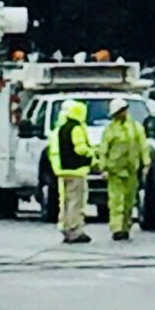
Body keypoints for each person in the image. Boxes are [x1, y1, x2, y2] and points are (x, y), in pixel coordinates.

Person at [100, 101, 149, 242]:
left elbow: (143, 145)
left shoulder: (135, 127)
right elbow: (104, 150)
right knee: (116, 201)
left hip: (132, 169)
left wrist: (146, 163)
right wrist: (103, 167)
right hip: (114, 170)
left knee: (129, 200)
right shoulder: (110, 130)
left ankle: (126, 227)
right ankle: (117, 228)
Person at [49, 100, 93, 245]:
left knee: (66, 202)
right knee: (76, 202)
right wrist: (92, 154)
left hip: (63, 170)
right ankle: (74, 230)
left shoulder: (61, 128)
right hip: (76, 170)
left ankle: (66, 227)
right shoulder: (76, 128)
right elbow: (80, 149)